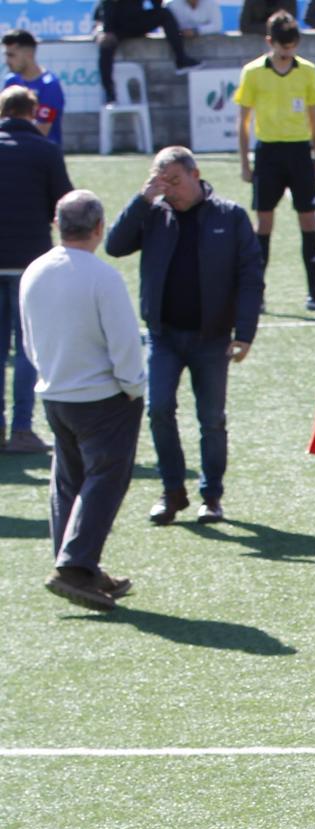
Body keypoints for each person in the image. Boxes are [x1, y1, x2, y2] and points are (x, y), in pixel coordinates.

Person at [106, 148, 263, 528]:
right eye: (161, 183)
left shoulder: (230, 216)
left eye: (174, 181)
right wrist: (142, 200)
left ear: (196, 174)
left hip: (211, 339)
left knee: (211, 419)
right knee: (158, 409)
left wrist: (244, 333)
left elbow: (250, 276)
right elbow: (114, 245)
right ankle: (172, 490)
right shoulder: (153, 214)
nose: (168, 190)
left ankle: (211, 496)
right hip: (163, 337)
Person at [20, 191, 146, 613]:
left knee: (68, 481)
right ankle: (74, 565)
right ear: (98, 227)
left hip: (54, 392)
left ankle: (78, 564)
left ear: (57, 224)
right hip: (102, 397)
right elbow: (124, 340)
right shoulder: (102, 276)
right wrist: (133, 385)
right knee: (106, 479)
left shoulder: (34, 270)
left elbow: (28, 339)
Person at [236, 13, 315, 316]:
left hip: (299, 154)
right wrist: (245, 162)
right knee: (263, 223)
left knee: (308, 220)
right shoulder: (252, 72)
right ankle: (257, 292)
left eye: (292, 46)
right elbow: (243, 121)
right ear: (269, 42)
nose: (287, 53)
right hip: (268, 154)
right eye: (281, 47)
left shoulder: (307, 71)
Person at [0, 86, 70, 457]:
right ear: (32, 112)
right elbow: (64, 205)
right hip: (30, 262)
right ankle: (22, 428)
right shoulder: (46, 150)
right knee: (26, 348)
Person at [95, 0, 201, 108]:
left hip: (135, 21)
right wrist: (106, 30)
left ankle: (181, 60)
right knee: (106, 45)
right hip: (115, 26)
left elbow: (157, 5)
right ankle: (109, 94)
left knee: (164, 14)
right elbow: (104, 8)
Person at [2, 29, 65, 143]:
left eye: (11, 55)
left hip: (43, 155)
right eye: (6, 55)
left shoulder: (49, 85)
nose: (7, 61)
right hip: (16, 153)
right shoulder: (11, 81)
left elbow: (42, 130)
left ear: (29, 54)